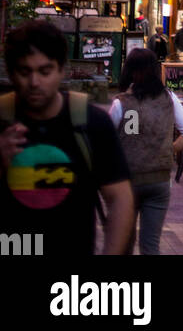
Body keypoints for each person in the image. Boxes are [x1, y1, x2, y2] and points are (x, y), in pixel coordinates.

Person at [0, 20, 134, 255]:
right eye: (24, 71)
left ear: (62, 70)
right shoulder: (1, 121)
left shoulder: (91, 123)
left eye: (45, 71)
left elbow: (120, 199)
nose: (34, 82)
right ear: (11, 73)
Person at [109, 47, 183, 254]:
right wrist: (168, 149)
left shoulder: (121, 102)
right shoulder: (169, 98)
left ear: (128, 71)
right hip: (159, 181)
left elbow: (107, 140)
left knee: (124, 244)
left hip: (127, 182)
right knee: (151, 246)